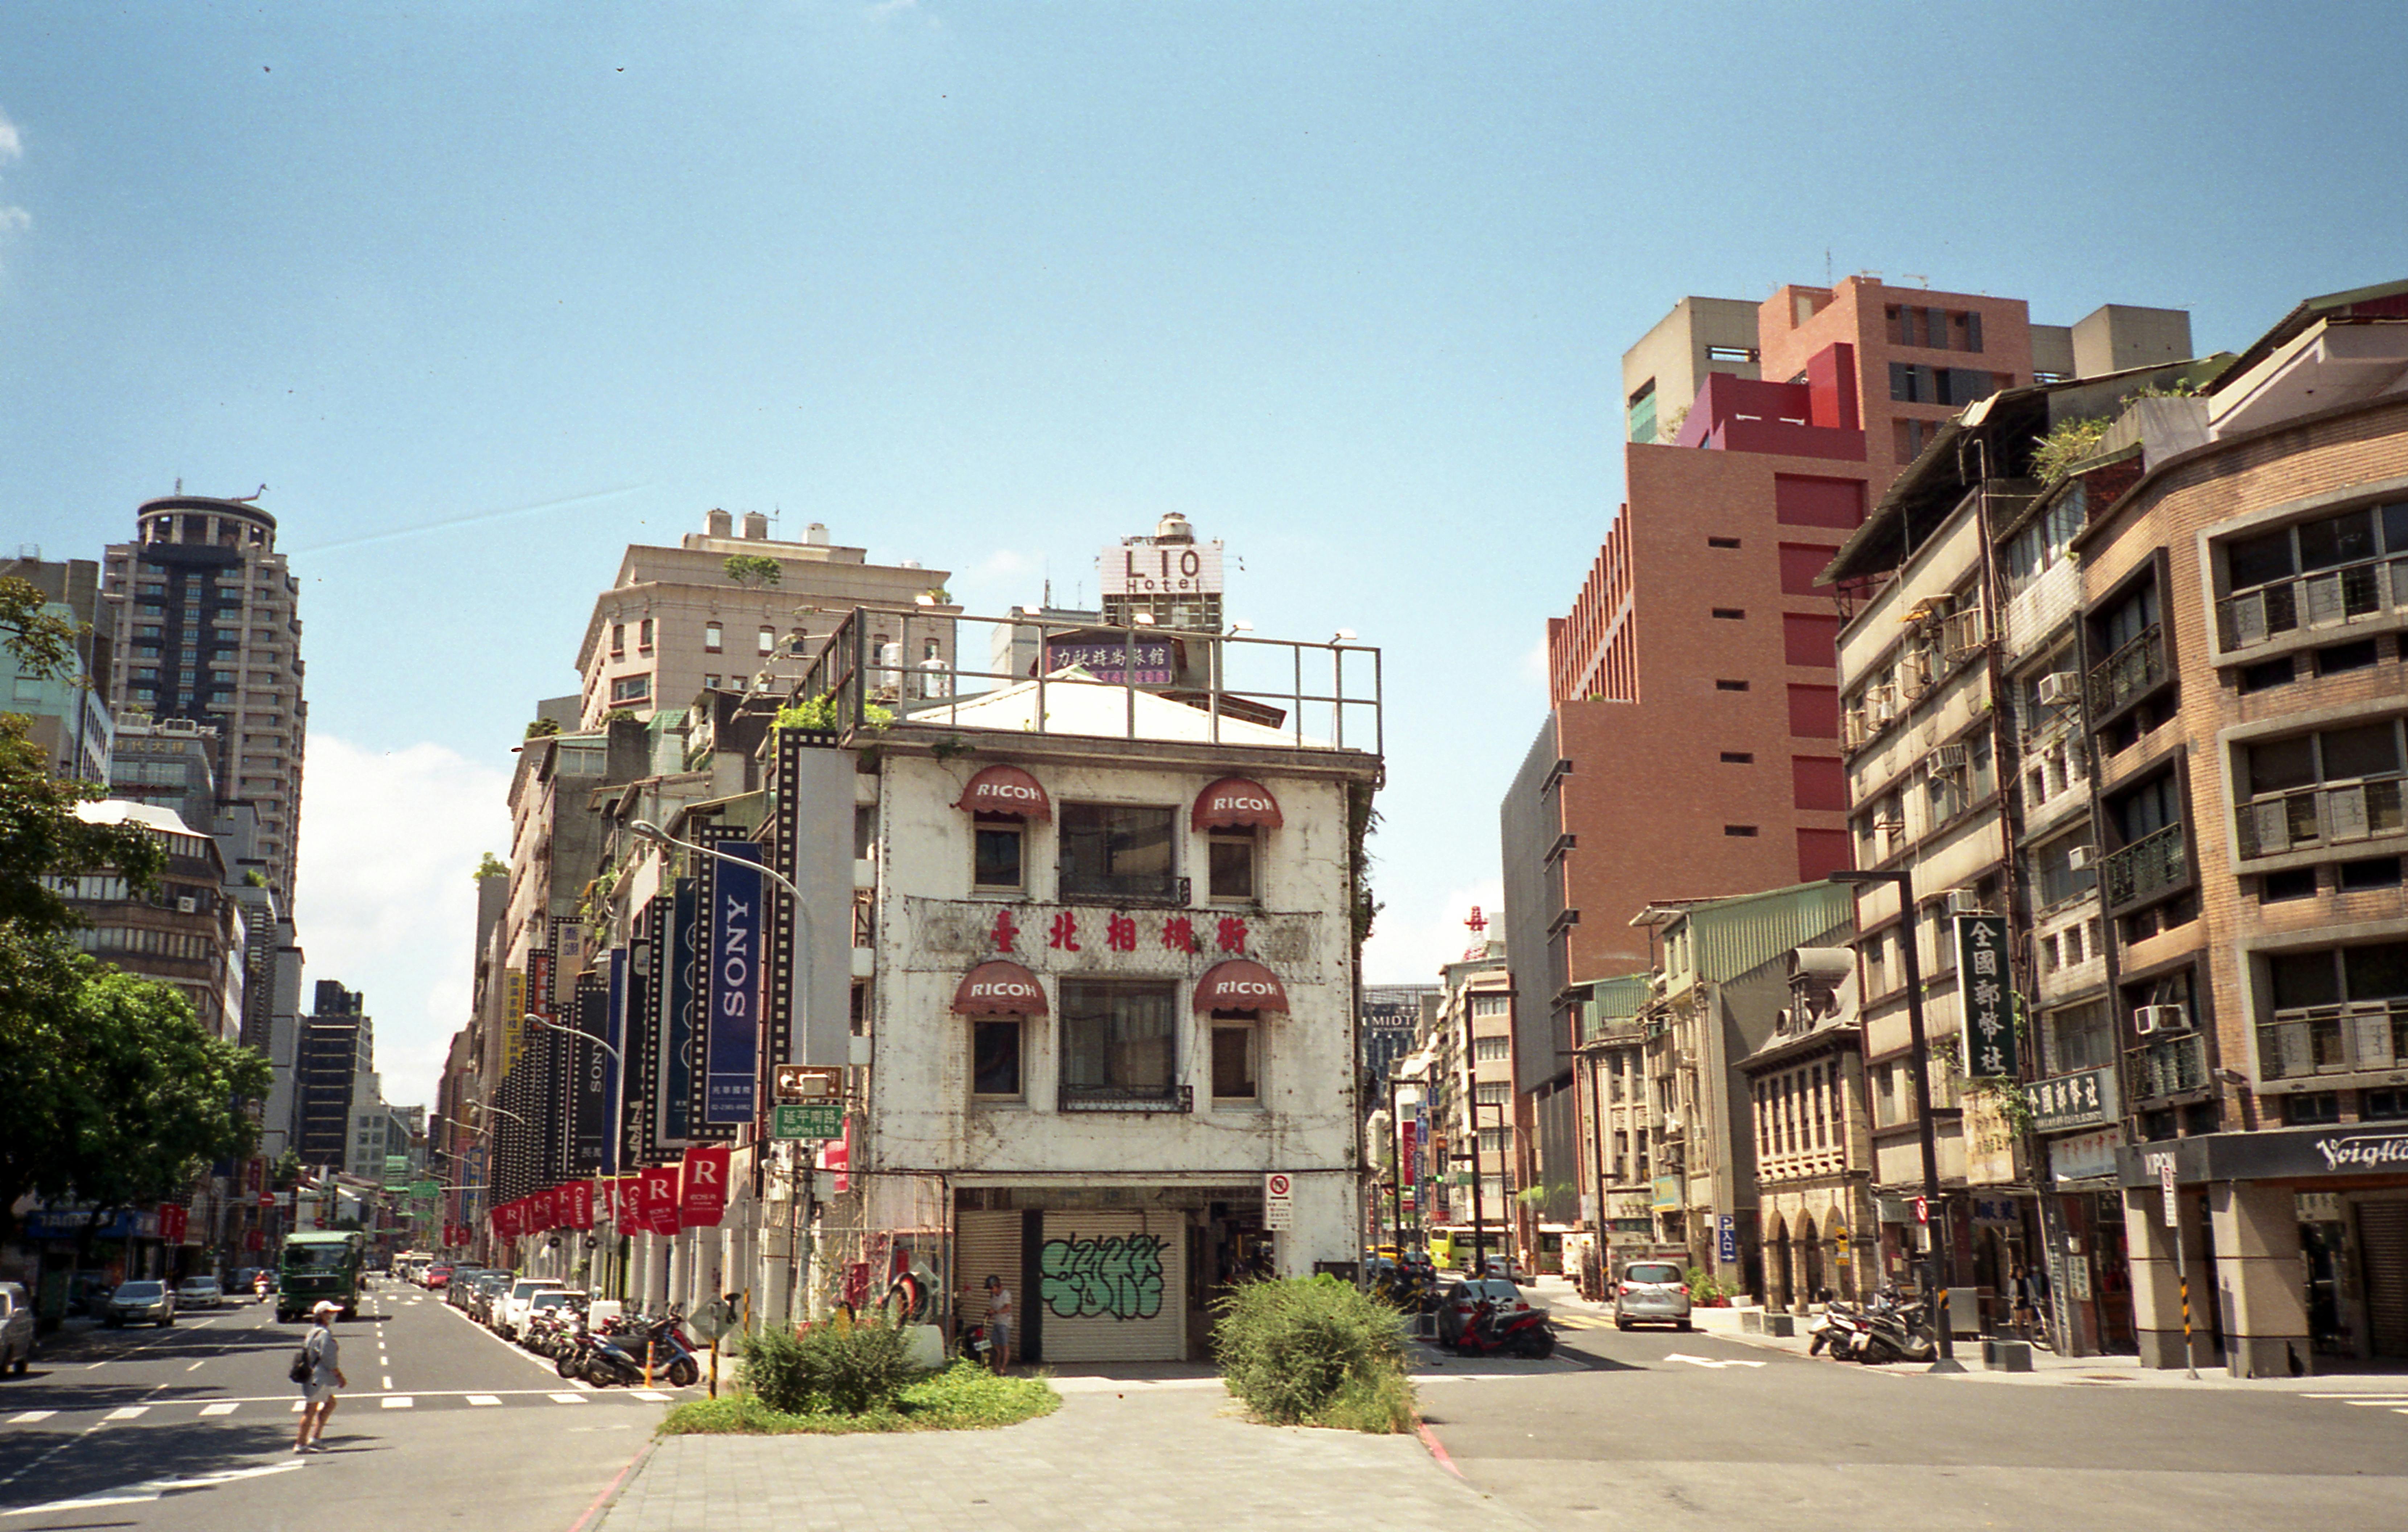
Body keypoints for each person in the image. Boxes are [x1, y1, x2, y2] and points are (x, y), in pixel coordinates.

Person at [294, 1300, 346, 1453]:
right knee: (311, 1409)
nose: (334, 1315)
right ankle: (301, 1444)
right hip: (319, 1378)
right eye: (331, 1313)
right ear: (323, 1315)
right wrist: (339, 1376)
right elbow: (328, 1357)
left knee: (330, 1404)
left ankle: (315, 1438)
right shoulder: (323, 1334)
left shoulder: (313, 1332)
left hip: (315, 1376)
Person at [982, 1273, 1012, 1376]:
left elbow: (1008, 1308)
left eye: (993, 1288)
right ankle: (996, 1366)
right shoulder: (993, 1297)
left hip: (1005, 1323)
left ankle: (1004, 1368)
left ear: (998, 1286)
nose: (992, 1291)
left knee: (1005, 1346)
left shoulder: (1006, 1294)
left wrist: (995, 1312)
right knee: (995, 1346)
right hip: (997, 1323)